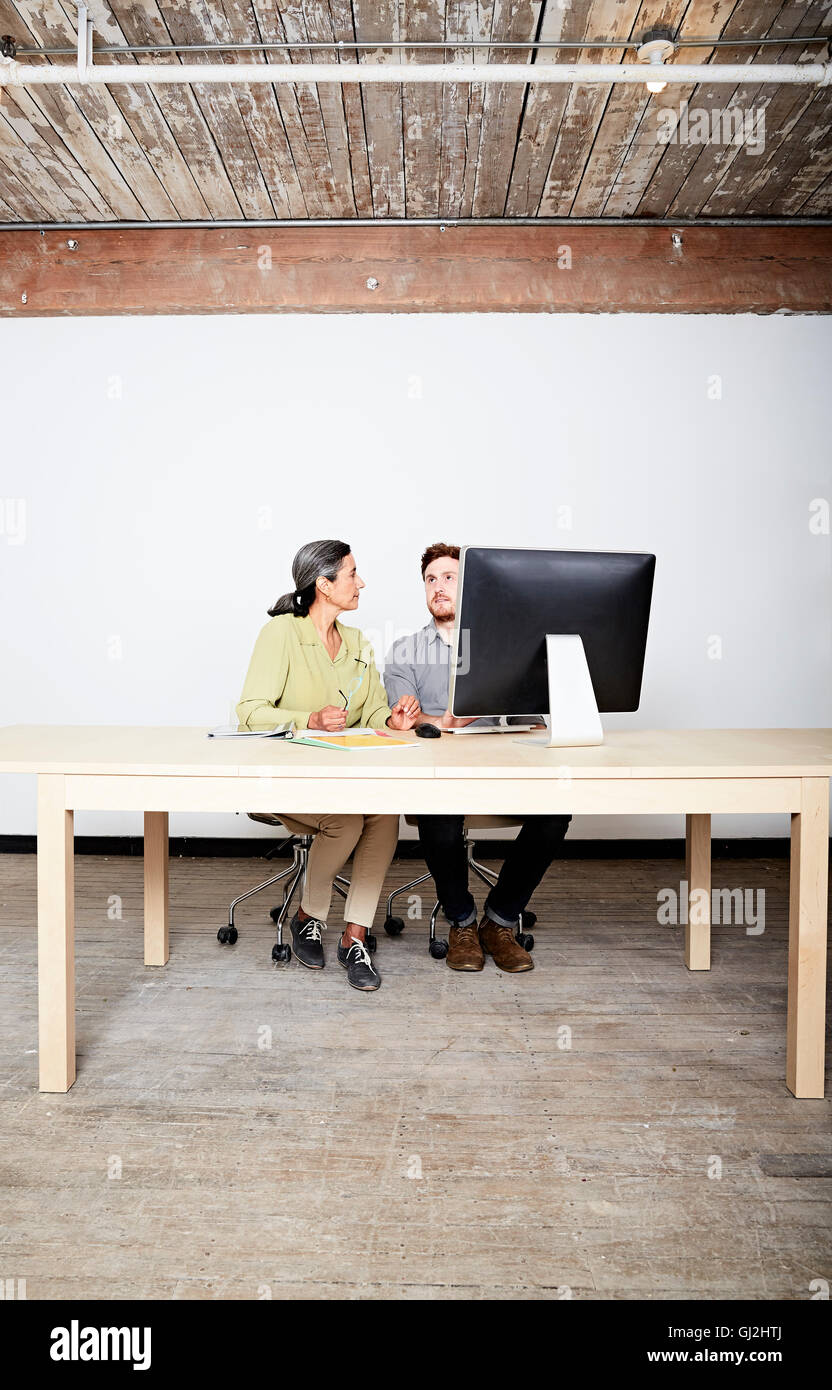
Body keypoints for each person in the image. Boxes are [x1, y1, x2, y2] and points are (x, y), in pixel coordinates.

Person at [237, 540, 421, 992]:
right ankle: (308, 916)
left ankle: (355, 934)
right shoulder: (282, 633)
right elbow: (249, 711)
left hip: (346, 778)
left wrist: (393, 720)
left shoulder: (357, 642)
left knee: (382, 814)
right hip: (290, 782)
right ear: (324, 584)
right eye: (352, 574)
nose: (361, 582)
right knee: (345, 820)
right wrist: (308, 721)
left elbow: (373, 713)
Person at [383, 542, 571, 974]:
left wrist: (482, 717)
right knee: (437, 813)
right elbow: (404, 719)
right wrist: (447, 722)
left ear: (469, 588)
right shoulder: (405, 651)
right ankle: (463, 922)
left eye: (449, 578)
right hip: (438, 775)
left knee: (556, 811)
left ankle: (500, 920)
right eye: (431, 579)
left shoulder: (506, 647)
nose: (438, 587)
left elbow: (535, 723)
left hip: (501, 772)